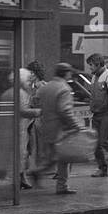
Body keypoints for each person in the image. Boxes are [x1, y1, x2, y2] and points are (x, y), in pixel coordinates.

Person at [29, 62, 83, 195]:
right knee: (62, 158)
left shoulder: (46, 87)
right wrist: (76, 126)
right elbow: (65, 111)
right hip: (60, 129)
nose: (70, 74)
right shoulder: (64, 88)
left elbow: (34, 102)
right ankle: (57, 184)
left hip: (45, 126)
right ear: (65, 73)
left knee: (54, 157)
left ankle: (44, 175)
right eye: (69, 72)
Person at [0, 69, 37, 188]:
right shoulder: (20, 93)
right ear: (22, 80)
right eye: (28, 80)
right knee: (17, 158)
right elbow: (22, 111)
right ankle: (8, 186)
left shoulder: (7, 93)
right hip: (17, 131)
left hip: (6, 130)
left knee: (9, 159)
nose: (29, 83)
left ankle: (18, 180)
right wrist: (38, 112)